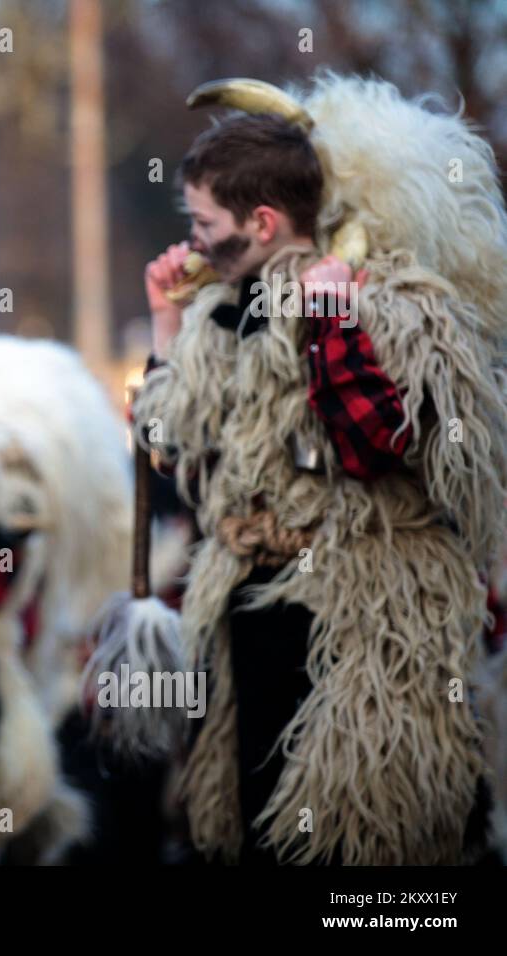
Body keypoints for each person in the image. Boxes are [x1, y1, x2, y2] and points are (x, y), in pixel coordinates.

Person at [134, 75, 507, 865]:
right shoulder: (218, 314)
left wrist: (334, 323)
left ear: (262, 222)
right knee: (262, 828)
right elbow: (169, 442)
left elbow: (376, 449)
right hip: (250, 612)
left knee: (360, 839)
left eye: (205, 223)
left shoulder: (395, 305)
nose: (194, 241)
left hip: (363, 618)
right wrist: (166, 323)